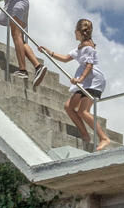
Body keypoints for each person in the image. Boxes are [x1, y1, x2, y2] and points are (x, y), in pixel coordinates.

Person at [39, 19, 111, 151]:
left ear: (79, 32)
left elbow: (90, 65)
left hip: (93, 80)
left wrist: (80, 79)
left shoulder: (88, 47)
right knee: (69, 106)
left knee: (83, 111)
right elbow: (66, 58)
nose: (74, 33)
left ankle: (104, 138)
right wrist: (49, 52)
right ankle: (85, 135)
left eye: (75, 31)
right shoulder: (80, 47)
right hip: (85, 80)